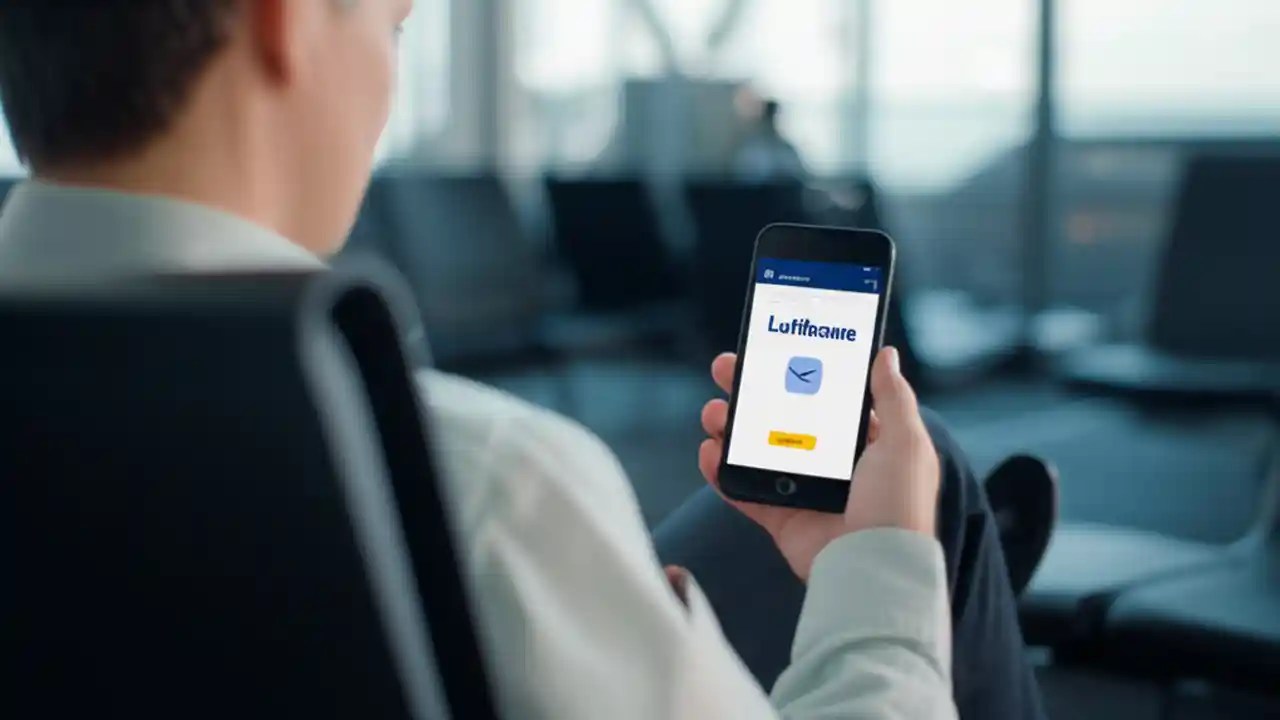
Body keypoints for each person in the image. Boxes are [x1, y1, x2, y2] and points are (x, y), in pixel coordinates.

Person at [0, 1, 1043, 718]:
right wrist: (881, 572)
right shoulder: (485, 481)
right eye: (394, 26)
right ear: (288, 22)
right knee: (921, 493)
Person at [732, 98, 809, 182]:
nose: (771, 120)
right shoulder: (751, 148)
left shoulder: (786, 149)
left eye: (774, 116)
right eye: (769, 116)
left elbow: (798, 176)